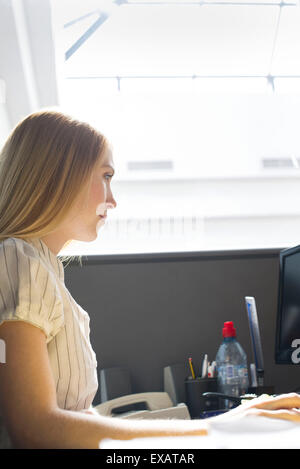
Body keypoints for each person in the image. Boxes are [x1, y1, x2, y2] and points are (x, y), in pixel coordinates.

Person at [0, 110, 299, 449]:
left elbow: (80, 421)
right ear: (61, 175)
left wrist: (226, 422)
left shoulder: (43, 267)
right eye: (106, 176)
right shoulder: (18, 260)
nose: (113, 200)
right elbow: (35, 429)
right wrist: (220, 432)